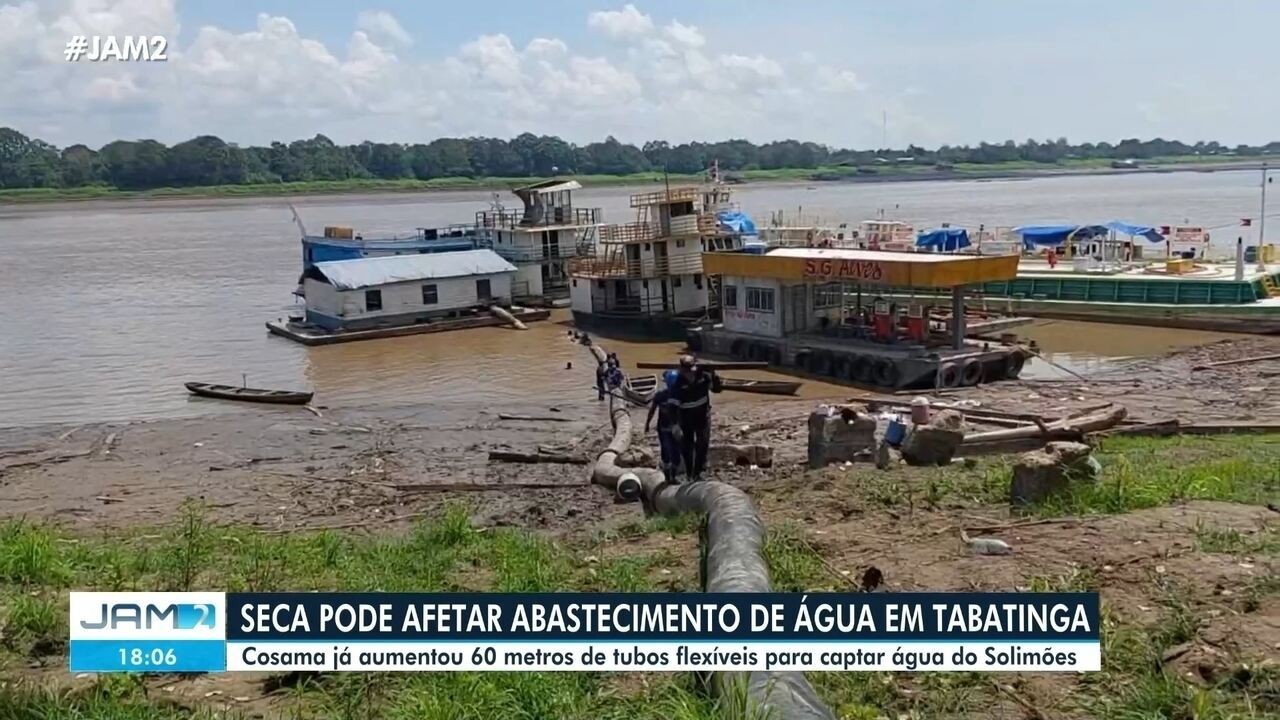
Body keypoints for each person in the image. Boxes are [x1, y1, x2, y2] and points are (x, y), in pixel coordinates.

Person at [671, 354, 722, 482]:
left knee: (703, 444)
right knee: (687, 447)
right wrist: (675, 425)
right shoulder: (677, 384)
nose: (689, 374)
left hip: (703, 416)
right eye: (686, 371)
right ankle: (689, 474)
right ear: (682, 371)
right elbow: (673, 407)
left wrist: (714, 374)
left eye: (690, 371)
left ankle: (698, 473)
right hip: (686, 419)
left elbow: (717, 389)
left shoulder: (704, 377)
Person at [645, 370, 683, 480]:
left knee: (670, 451)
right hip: (669, 428)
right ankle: (670, 476)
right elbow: (652, 411)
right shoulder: (677, 395)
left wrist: (647, 424)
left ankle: (670, 475)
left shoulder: (662, 396)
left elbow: (652, 411)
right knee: (671, 451)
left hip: (669, 427)